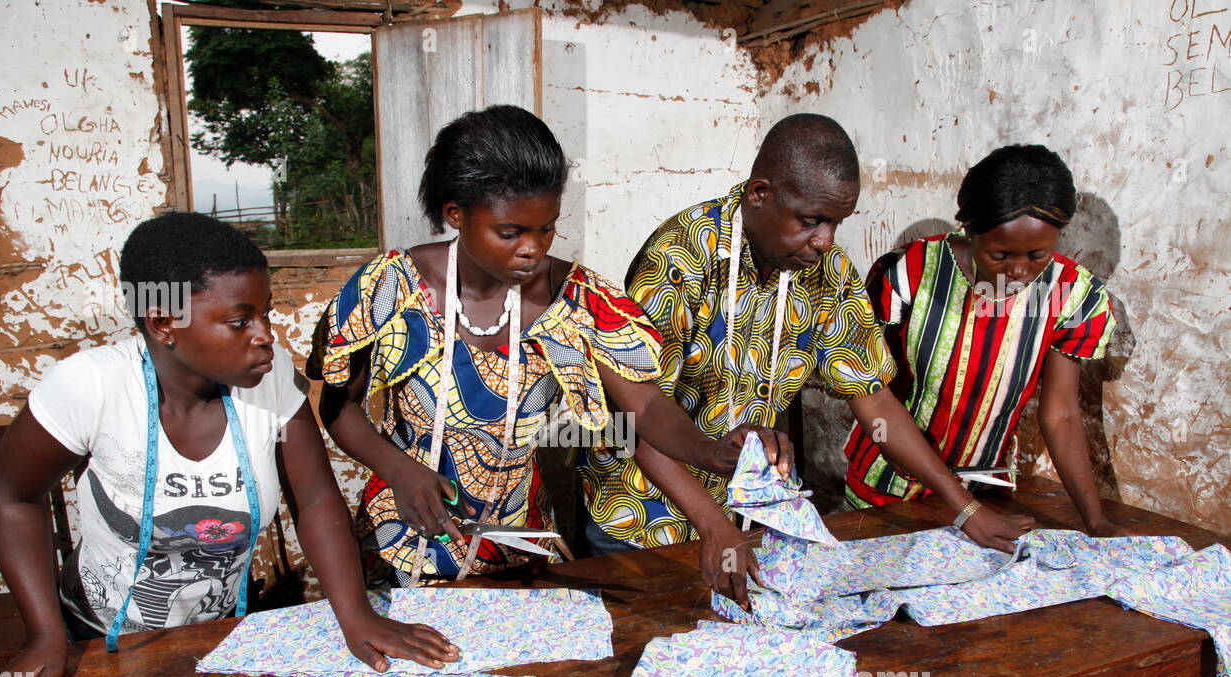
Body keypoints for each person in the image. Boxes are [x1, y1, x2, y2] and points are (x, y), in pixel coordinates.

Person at [309, 105, 791, 602]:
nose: (533, 249)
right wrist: (399, 469)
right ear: (456, 215)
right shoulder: (389, 288)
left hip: (521, 545)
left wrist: (711, 453)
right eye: (510, 232)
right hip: (409, 534)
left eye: (547, 228)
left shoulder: (577, 298)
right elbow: (337, 406)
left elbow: (642, 408)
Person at [0, 212, 456, 677]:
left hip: (218, 634)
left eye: (267, 315)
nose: (265, 336)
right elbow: (13, 498)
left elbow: (316, 501)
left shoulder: (270, 381)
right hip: (95, 640)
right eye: (240, 321)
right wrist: (43, 635)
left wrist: (358, 616)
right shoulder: (89, 387)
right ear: (164, 322)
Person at [580, 114, 1033, 575]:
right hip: (642, 515)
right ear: (760, 194)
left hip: (740, 513)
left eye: (836, 223)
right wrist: (713, 524)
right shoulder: (681, 258)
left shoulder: (827, 271)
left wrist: (965, 508)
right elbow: (634, 408)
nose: (825, 240)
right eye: (811, 220)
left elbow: (874, 400)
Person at [843, 144, 1122, 535]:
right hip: (888, 488)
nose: (1020, 272)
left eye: (1038, 255)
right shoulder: (912, 273)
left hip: (986, 491)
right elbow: (871, 395)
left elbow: (1060, 414)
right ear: (969, 229)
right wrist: (964, 510)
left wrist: (1096, 520)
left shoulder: (1073, 295)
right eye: (1000, 255)